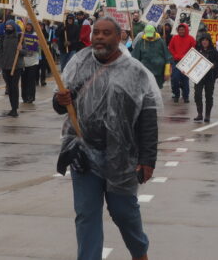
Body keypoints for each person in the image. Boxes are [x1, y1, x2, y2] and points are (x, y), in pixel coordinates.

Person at [54, 16, 160, 260]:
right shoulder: (79, 63)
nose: (99, 37)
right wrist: (60, 100)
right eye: (96, 32)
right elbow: (61, 106)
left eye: (106, 33)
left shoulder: (136, 72)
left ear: (119, 36)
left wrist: (148, 160)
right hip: (83, 155)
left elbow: (148, 120)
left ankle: (139, 252)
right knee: (86, 214)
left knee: (124, 212)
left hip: (121, 157)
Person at [131, 25, 171, 89]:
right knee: (146, 90)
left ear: (155, 32)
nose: (149, 37)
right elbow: (135, 58)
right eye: (148, 35)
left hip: (158, 72)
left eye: (151, 34)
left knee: (157, 90)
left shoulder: (161, 42)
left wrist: (167, 72)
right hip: (145, 72)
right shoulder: (140, 42)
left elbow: (167, 57)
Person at [0, 19, 25, 116]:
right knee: (9, 88)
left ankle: (15, 108)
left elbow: (25, 52)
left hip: (16, 66)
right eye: (7, 27)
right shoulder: (3, 37)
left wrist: (21, 50)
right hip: (5, 66)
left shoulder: (19, 37)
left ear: (14, 27)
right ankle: (12, 107)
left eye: (10, 27)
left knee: (14, 87)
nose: (8, 28)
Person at [192, 35, 218, 123]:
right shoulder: (197, 51)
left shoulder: (214, 51)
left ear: (209, 41)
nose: (204, 42)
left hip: (210, 77)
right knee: (197, 94)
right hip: (198, 76)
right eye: (203, 40)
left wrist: (214, 65)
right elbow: (191, 62)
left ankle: (207, 114)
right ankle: (199, 114)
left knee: (208, 96)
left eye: (206, 40)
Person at [167, 23, 196, 104]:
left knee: (185, 80)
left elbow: (193, 50)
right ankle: (176, 94)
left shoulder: (191, 39)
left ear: (186, 30)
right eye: (179, 30)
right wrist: (175, 55)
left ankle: (185, 96)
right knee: (175, 78)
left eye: (182, 30)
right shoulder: (174, 38)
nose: (181, 31)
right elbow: (170, 48)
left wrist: (187, 57)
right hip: (176, 61)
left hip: (186, 62)